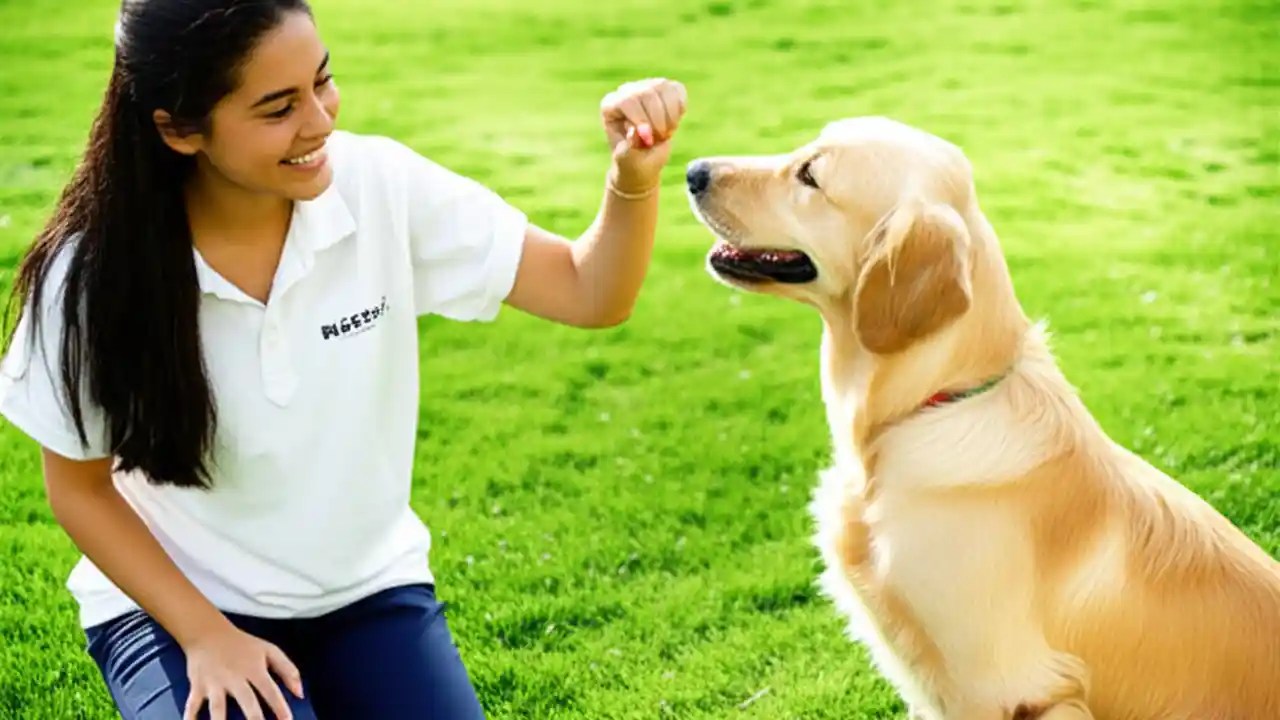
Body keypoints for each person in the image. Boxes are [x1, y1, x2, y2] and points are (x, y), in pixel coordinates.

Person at [0, 1, 686, 718]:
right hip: (181, 608)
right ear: (179, 130)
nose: (320, 121)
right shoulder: (90, 275)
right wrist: (206, 636)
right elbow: (79, 489)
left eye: (322, 83)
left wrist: (632, 177)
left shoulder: (379, 185)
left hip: (367, 596)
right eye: (278, 108)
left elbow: (590, 291)